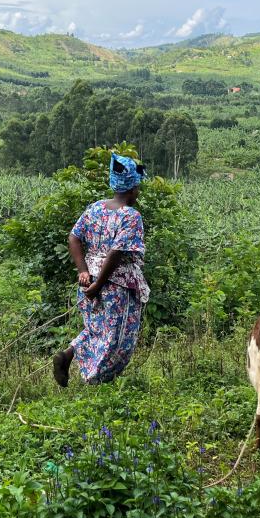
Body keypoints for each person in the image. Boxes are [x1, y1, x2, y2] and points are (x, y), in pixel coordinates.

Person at [53, 153, 151, 386]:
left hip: (89, 281)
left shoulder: (95, 208)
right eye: (137, 187)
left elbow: (74, 238)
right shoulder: (131, 216)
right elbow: (116, 253)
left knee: (97, 330)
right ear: (131, 189)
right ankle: (97, 383)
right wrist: (99, 285)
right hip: (116, 286)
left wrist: (83, 272)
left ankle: (68, 355)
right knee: (117, 339)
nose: (138, 192)